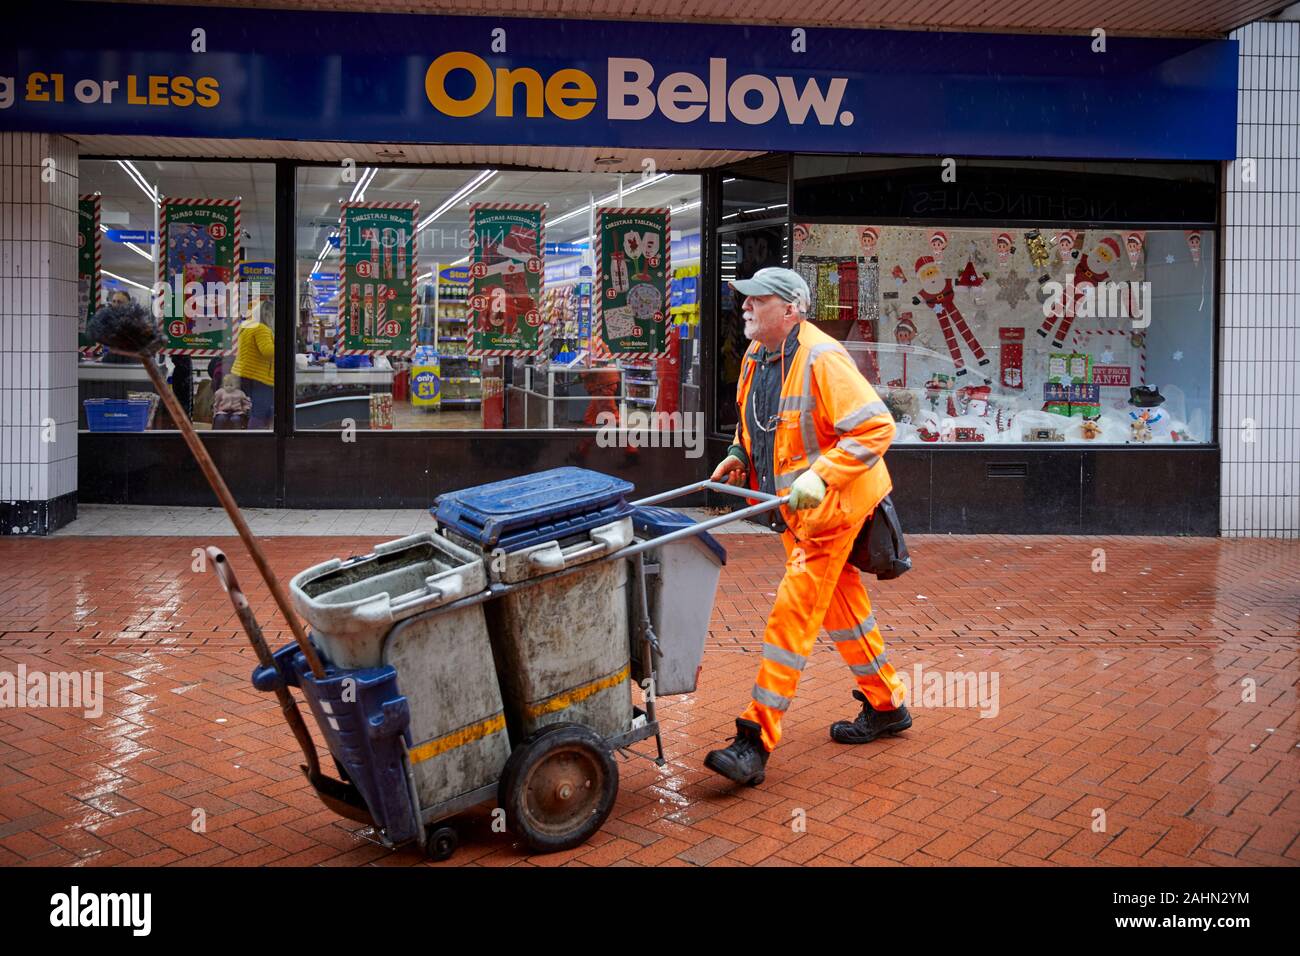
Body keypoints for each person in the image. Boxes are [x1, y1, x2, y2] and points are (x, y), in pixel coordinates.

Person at [704, 267, 911, 787]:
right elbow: (756, 418)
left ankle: (755, 738)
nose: (745, 307)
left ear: (791, 309)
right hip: (797, 512)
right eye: (744, 300)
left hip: (831, 512)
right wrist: (736, 453)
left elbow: (876, 425)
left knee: (791, 615)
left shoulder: (822, 356)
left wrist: (822, 476)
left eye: (757, 300)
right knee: (845, 613)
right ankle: (887, 705)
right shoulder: (758, 355)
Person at [230, 300, 275, 429]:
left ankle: (255, 438)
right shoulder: (261, 329)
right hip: (259, 376)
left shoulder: (248, 326)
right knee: (260, 412)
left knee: (259, 410)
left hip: (246, 373)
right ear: (269, 315)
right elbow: (268, 352)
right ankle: (255, 441)